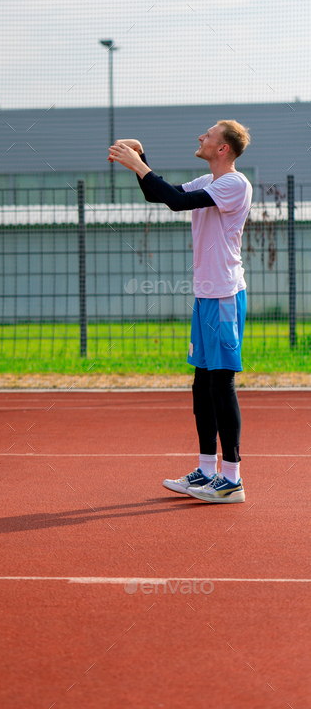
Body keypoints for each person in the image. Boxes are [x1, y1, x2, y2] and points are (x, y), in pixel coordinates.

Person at [108, 121, 252, 504]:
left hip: (224, 297)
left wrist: (138, 165)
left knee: (221, 385)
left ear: (223, 148)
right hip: (206, 296)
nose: (200, 138)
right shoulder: (209, 179)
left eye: (207, 135)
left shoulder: (234, 184)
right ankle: (207, 471)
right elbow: (164, 195)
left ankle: (232, 478)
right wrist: (141, 160)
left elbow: (178, 202)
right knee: (202, 386)